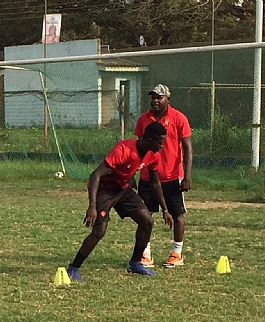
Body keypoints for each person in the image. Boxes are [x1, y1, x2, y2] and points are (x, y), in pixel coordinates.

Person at [66, 122, 173, 281]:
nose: (162, 146)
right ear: (149, 140)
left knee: (147, 221)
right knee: (99, 231)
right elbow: (95, 175)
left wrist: (165, 209)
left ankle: (135, 263)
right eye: (160, 142)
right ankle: (73, 268)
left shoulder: (153, 154)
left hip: (123, 189)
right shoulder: (124, 149)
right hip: (104, 190)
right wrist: (92, 206)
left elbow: (155, 182)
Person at [134, 84, 193, 268]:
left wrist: (187, 176)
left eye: (159, 97)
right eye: (153, 97)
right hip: (147, 176)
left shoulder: (178, 118)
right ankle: (145, 254)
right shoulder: (144, 119)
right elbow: (139, 146)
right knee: (145, 215)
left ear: (168, 99)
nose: (155, 101)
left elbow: (187, 148)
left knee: (177, 214)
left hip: (171, 176)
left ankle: (176, 253)